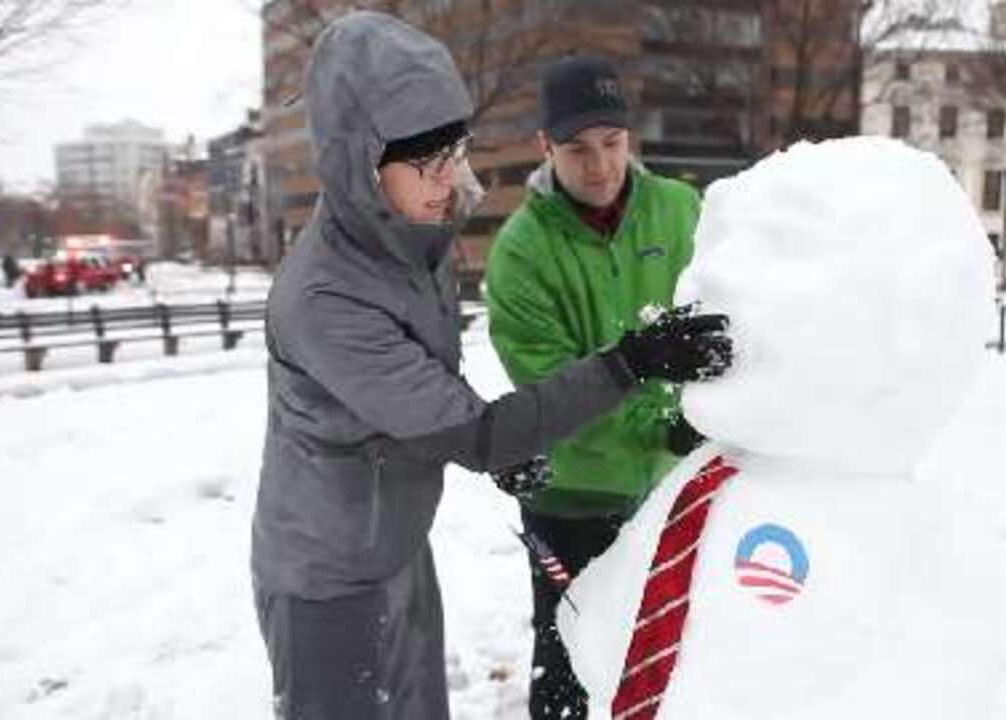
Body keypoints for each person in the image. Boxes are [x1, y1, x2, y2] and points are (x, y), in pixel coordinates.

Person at [250, 13, 733, 720]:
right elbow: (473, 430)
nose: (451, 181)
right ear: (360, 162)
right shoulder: (327, 300)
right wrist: (631, 364)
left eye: (454, 152)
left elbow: (426, 392)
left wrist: (489, 444)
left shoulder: (408, 237)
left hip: (394, 542)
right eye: (427, 163)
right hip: (326, 571)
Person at [484, 54, 708, 720]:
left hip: (673, 492)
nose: (601, 165)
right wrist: (660, 424)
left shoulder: (682, 210)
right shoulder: (520, 252)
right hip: (571, 502)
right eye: (578, 149)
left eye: (612, 143)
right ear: (544, 147)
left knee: (669, 654)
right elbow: (552, 392)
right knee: (570, 665)